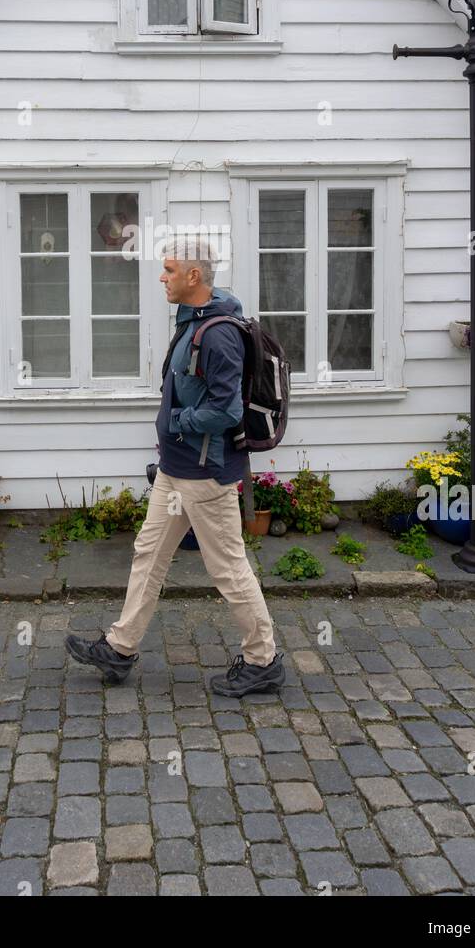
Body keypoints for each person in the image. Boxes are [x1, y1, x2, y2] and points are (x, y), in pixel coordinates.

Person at [66, 233, 285, 698]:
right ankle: (120, 648)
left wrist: (179, 420)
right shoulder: (195, 320)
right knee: (150, 553)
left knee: (227, 568)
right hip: (176, 470)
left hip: (206, 477)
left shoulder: (220, 335)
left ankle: (263, 660)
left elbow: (226, 411)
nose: (161, 277)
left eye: (169, 270)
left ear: (193, 276)